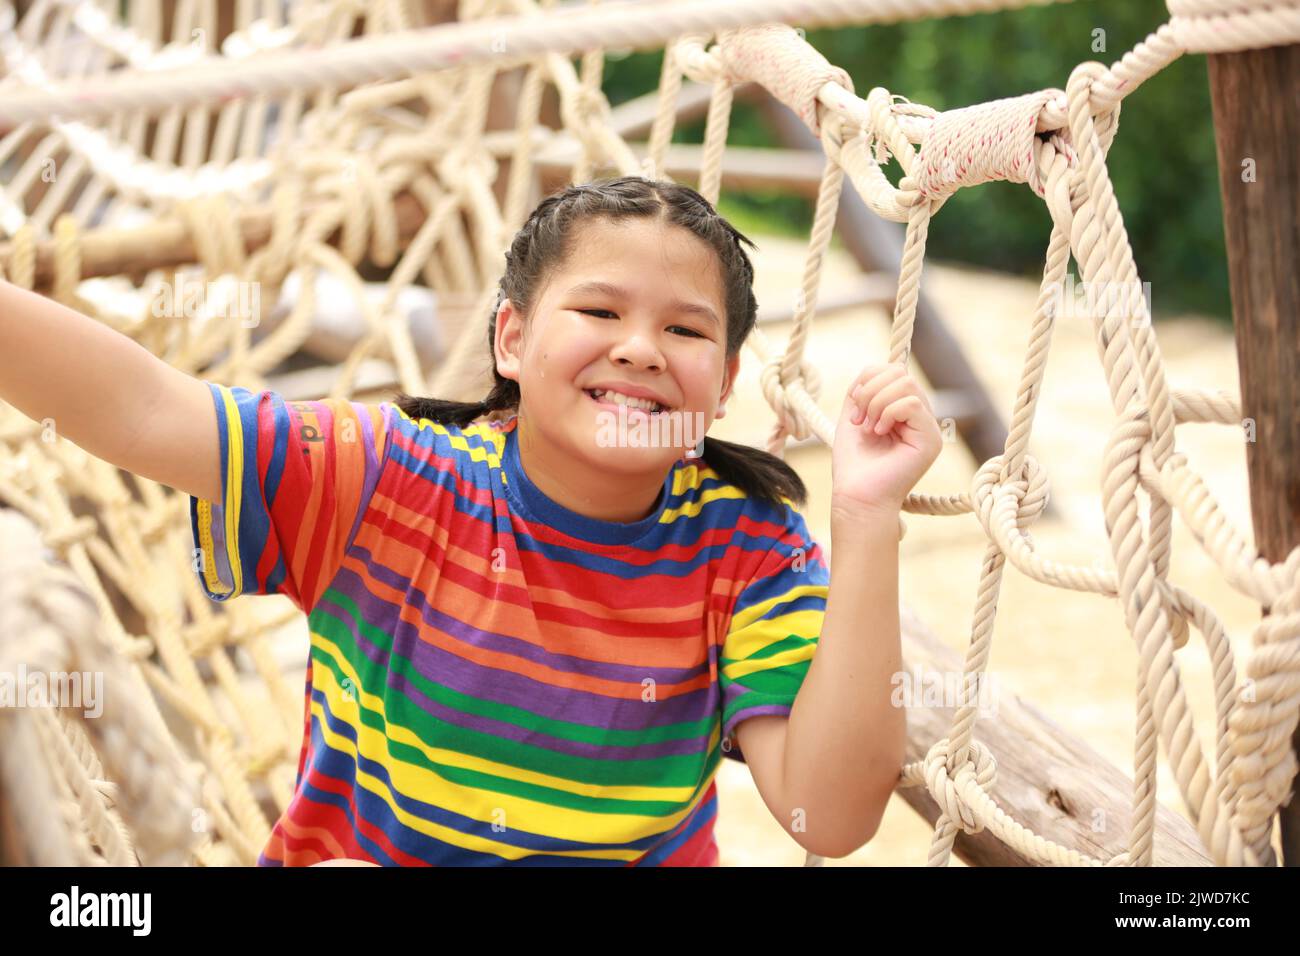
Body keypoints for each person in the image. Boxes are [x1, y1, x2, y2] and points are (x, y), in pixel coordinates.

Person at [0, 175, 942, 866]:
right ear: (513, 338)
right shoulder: (389, 479)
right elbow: (144, 410)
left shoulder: (744, 546)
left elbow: (829, 814)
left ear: (726, 383)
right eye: (600, 309)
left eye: (687, 331)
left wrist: (866, 514)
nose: (641, 349)